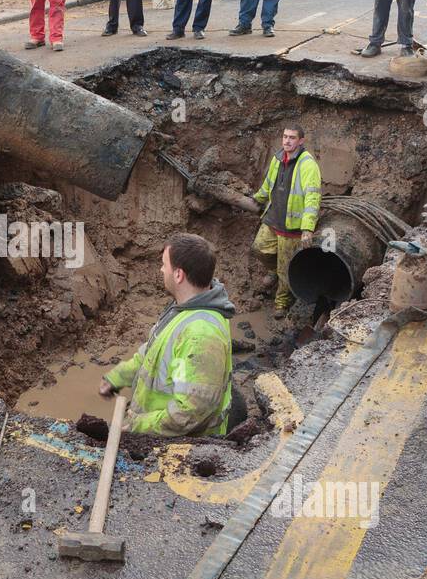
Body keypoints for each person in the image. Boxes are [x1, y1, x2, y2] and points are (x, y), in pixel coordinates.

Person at [98, 233, 235, 436]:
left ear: (178, 275)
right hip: (158, 432)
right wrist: (118, 377)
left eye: (164, 264)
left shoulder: (201, 335)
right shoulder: (183, 309)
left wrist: (138, 425)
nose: (161, 270)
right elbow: (152, 356)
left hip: (180, 448)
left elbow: (191, 411)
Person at [251, 126, 321, 314]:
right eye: (284, 136)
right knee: (260, 248)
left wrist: (307, 228)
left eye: (292, 138)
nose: (287, 141)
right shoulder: (278, 158)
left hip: (292, 227)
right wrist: (258, 198)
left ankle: (281, 303)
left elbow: (312, 198)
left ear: (301, 141)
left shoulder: (308, 165)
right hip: (274, 218)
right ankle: (274, 272)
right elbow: (268, 184)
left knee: (285, 269)